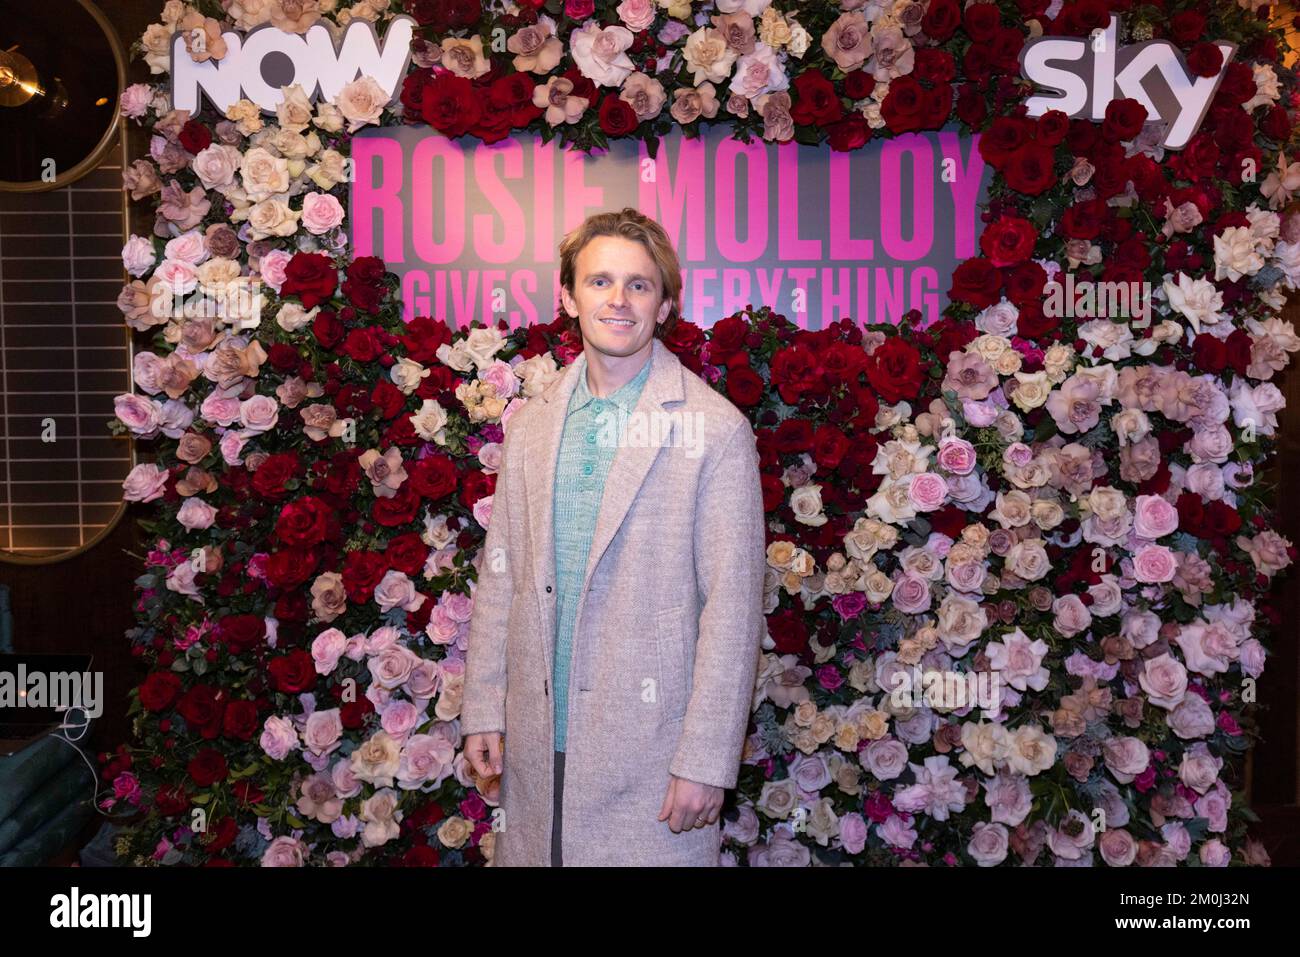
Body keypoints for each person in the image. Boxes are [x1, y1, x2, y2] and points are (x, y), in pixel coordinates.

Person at [461, 207, 766, 866]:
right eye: (600, 281)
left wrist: (707, 759)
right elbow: (503, 577)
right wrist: (483, 705)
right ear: (569, 296)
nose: (619, 300)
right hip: (536, 750)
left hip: (652, 760)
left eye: (639, 284)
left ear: (665, 303)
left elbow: (734, 609)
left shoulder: (715, 430)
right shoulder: (532, 426)